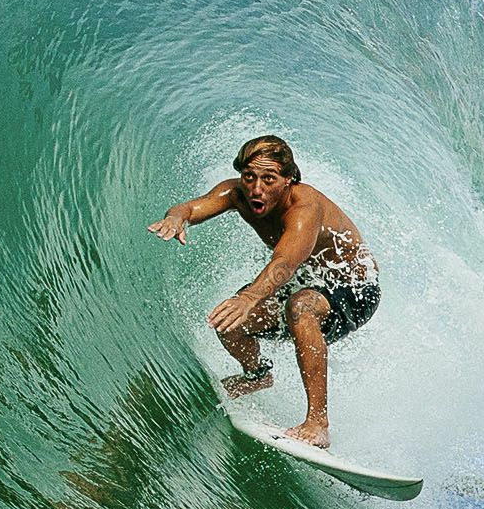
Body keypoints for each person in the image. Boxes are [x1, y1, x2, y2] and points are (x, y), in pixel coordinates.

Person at [147, 135, 381, 449]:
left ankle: (318, 424)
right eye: (249, 177)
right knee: (230, 320)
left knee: (299, 306)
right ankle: (257, 375)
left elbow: (284, 263)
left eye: (268, 179)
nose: (257, 189)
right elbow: (191, 207)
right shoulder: (237, 193)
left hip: (354, 289)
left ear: (289, 180)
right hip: (307, 283)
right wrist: (176, 218)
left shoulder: (305, 206)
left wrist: (248, 297)